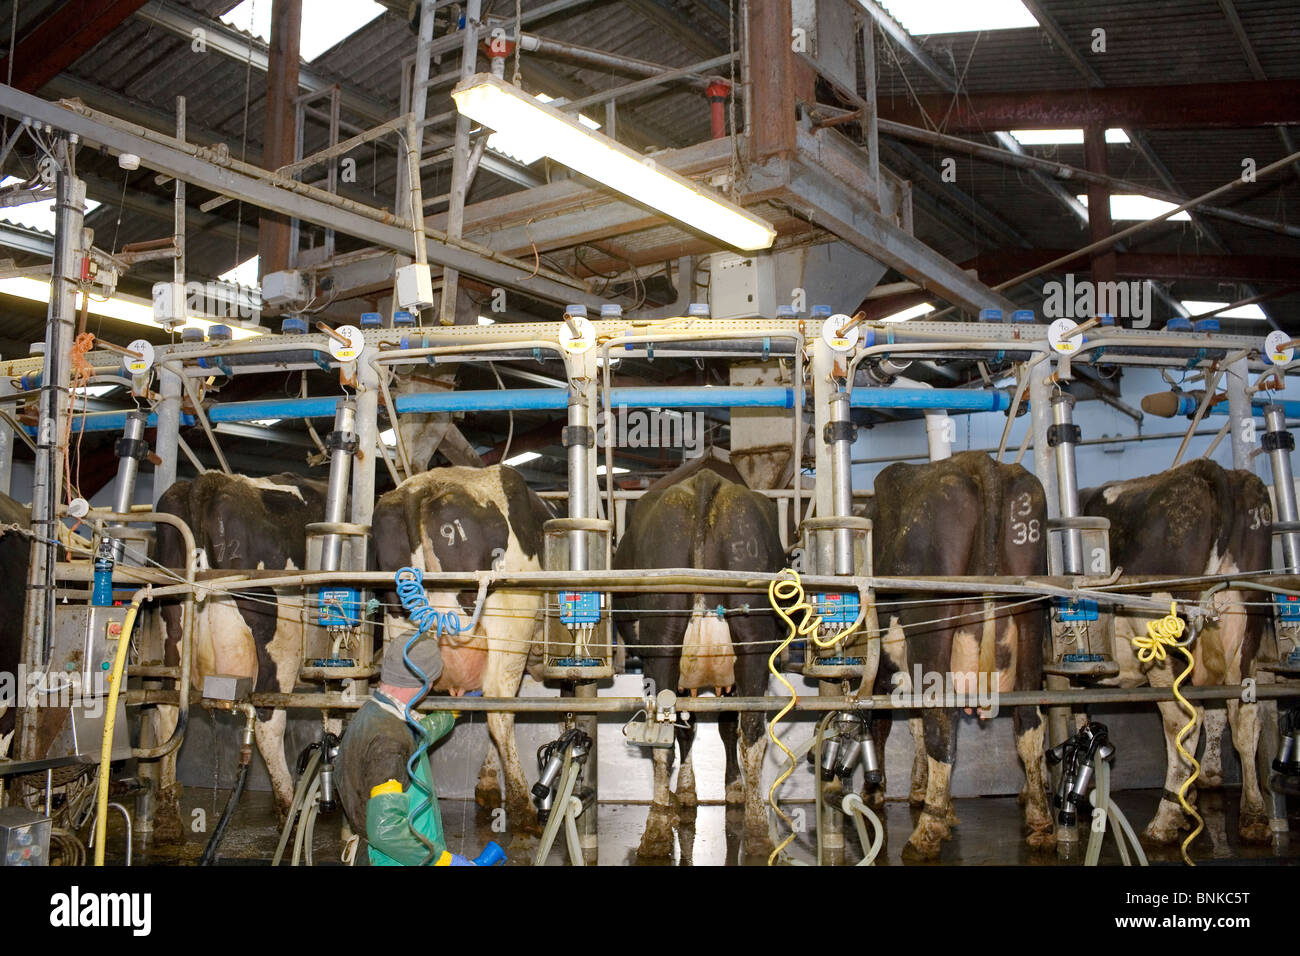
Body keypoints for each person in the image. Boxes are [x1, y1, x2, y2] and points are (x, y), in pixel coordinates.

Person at [335, 637, 502, 866]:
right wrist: (444, 861)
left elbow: (420, 733)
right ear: (425, 681)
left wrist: (455, 709)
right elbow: (387, 833)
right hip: (396, 860)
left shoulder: (376, 714)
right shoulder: (389, 741)